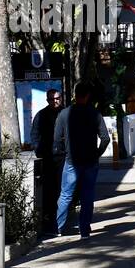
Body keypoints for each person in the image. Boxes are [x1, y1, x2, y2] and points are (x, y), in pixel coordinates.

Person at [53, 81, 110, 238]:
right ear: (88, 96)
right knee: (87, 196)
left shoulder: (64, 114)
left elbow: (56, 140)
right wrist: (97, 153)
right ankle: (84, 230)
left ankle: (59, 228)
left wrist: (66, 151)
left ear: (75, 95)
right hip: (90, 162)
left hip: (72, 161)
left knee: (65, 195)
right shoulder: (95, 113)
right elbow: (105, 138)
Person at [29, 89, 63, 234]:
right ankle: (49, 221)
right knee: (49, 190)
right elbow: (35, 136)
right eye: (51, 99)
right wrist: (39, 151)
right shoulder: (41, 115)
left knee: (63, 190)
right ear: (47, 100)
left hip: (63, 157)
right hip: (48, 158)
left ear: (61, 98)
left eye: (56, 98)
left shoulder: (66, 113)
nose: (54, 101)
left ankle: (61, 220)